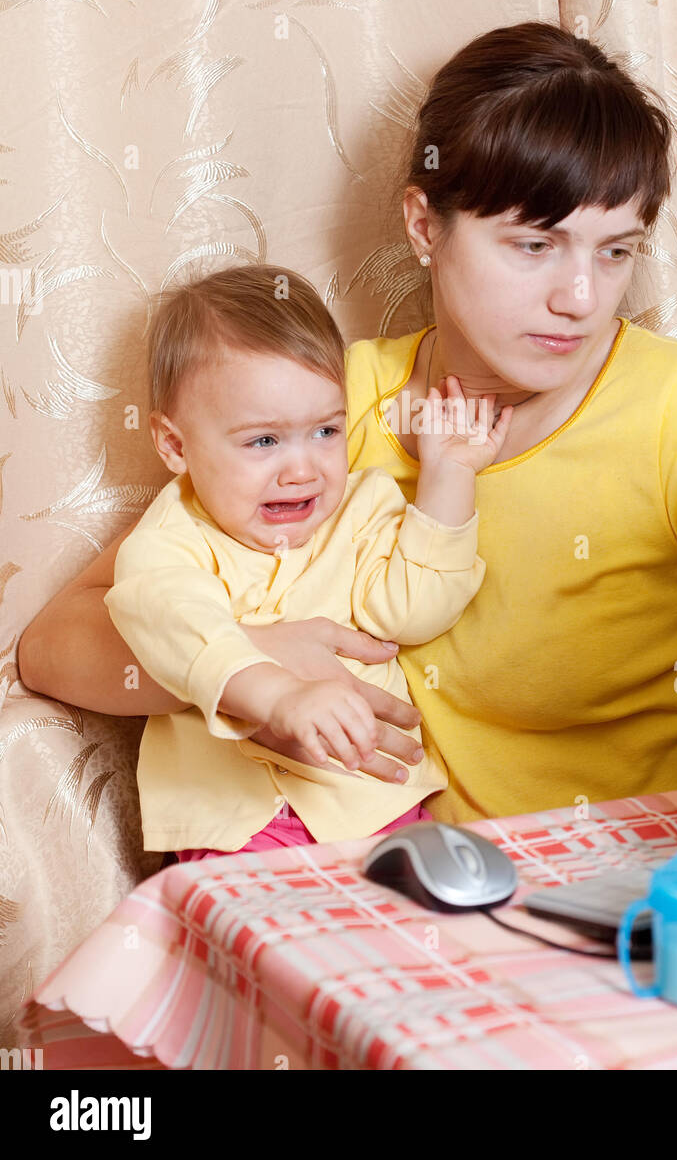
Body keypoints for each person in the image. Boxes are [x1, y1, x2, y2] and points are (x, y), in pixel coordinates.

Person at [18, 21, 677, 827]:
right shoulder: (328, 409)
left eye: (616, 253)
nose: (582, 299)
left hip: (643, 895)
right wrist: (249, 665)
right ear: (424, 226)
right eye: (535, 245)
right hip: (406, 891)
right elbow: (55, 645)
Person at [101, 263, 511, 856]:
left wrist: (448, 477)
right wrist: (277, 697)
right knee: (265, 941)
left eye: (325, 430)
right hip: (236, 823)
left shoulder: (362, 506)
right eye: (263, 441)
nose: (302, 470)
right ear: (174, 444)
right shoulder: (166, 545)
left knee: (434, 922)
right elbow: (179, 630)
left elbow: (414, 613)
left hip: (374, 801)